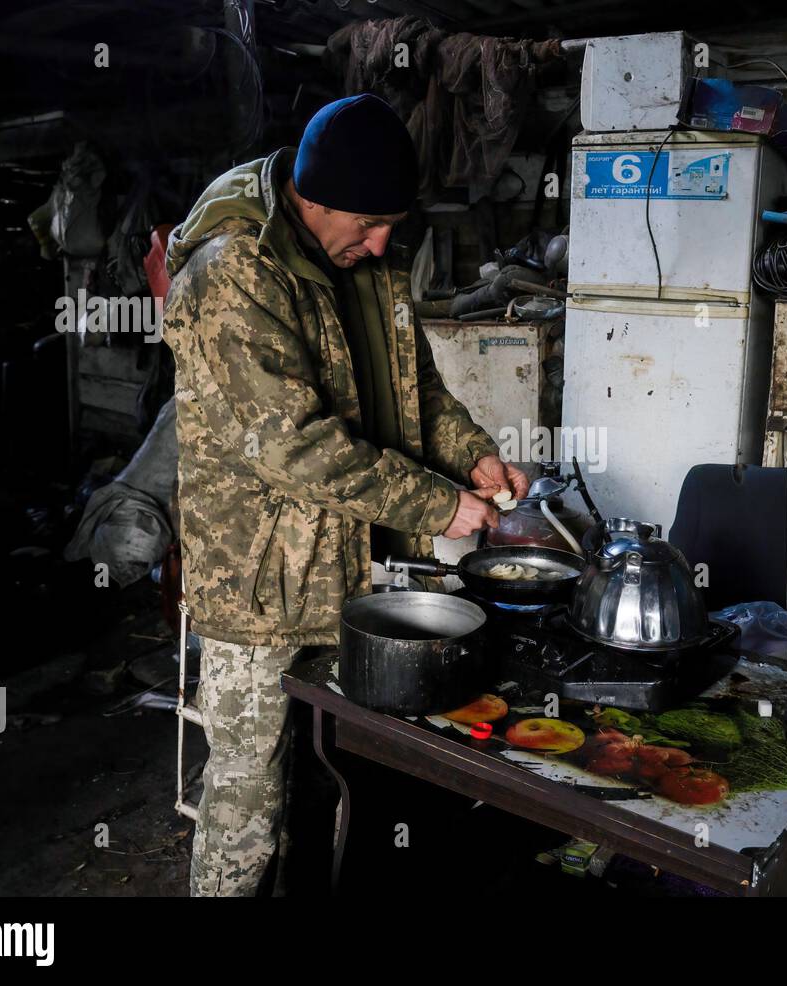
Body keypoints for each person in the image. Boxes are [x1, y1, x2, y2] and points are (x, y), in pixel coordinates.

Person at [161, 93, 529, 896]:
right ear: (310, 197)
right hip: (259, 579)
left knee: (343, 775)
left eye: (393, 222)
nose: (384, 241)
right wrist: (436, 505)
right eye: (367, 224)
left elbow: (416, 391)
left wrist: (472, 458)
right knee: (248, 797)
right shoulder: (230, 276)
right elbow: (290, 443)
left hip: (359, 568)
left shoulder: (370, 255)